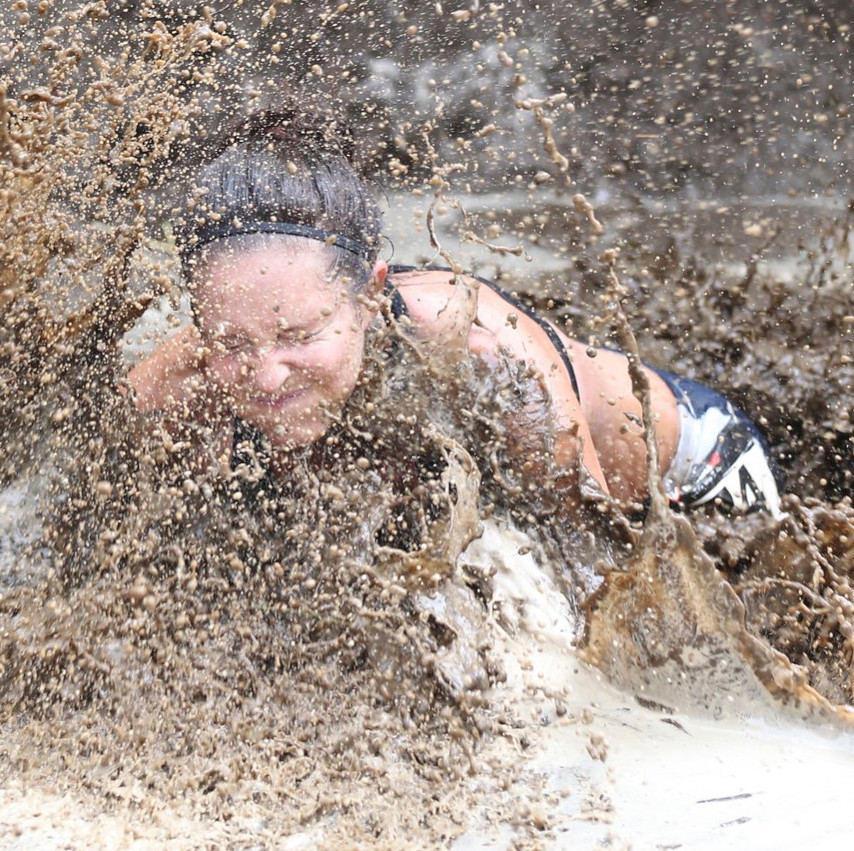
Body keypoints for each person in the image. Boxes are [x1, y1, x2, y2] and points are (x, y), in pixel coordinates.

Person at [128, 109, 782, 520]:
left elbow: (593, 561)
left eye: (299, 334)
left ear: (368, 294)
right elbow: (95, 497)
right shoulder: (189, 376)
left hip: (689, 475)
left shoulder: (483, 353)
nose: (265, 375)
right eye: (231, 340)